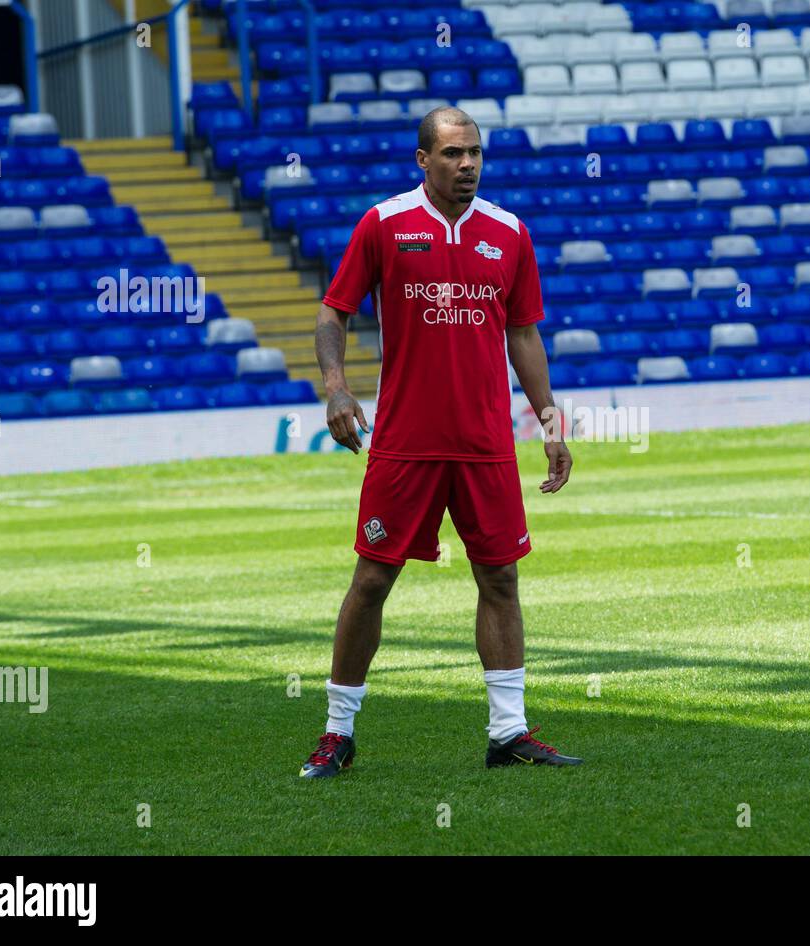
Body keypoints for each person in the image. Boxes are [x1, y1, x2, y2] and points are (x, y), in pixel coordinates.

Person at [299, 106, 581, 777]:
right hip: (405, 442)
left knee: (501, 578)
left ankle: (508, 732)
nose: (468, 166)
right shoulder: (384, 224)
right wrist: (337, 390)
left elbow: (522, 335)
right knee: (371, 580)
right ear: (422, 160)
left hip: (485, 442)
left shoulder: (509, 234)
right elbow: (332, 312)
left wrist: (549, 423)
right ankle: (338, 733)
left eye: (476, 153)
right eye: (453, 154)